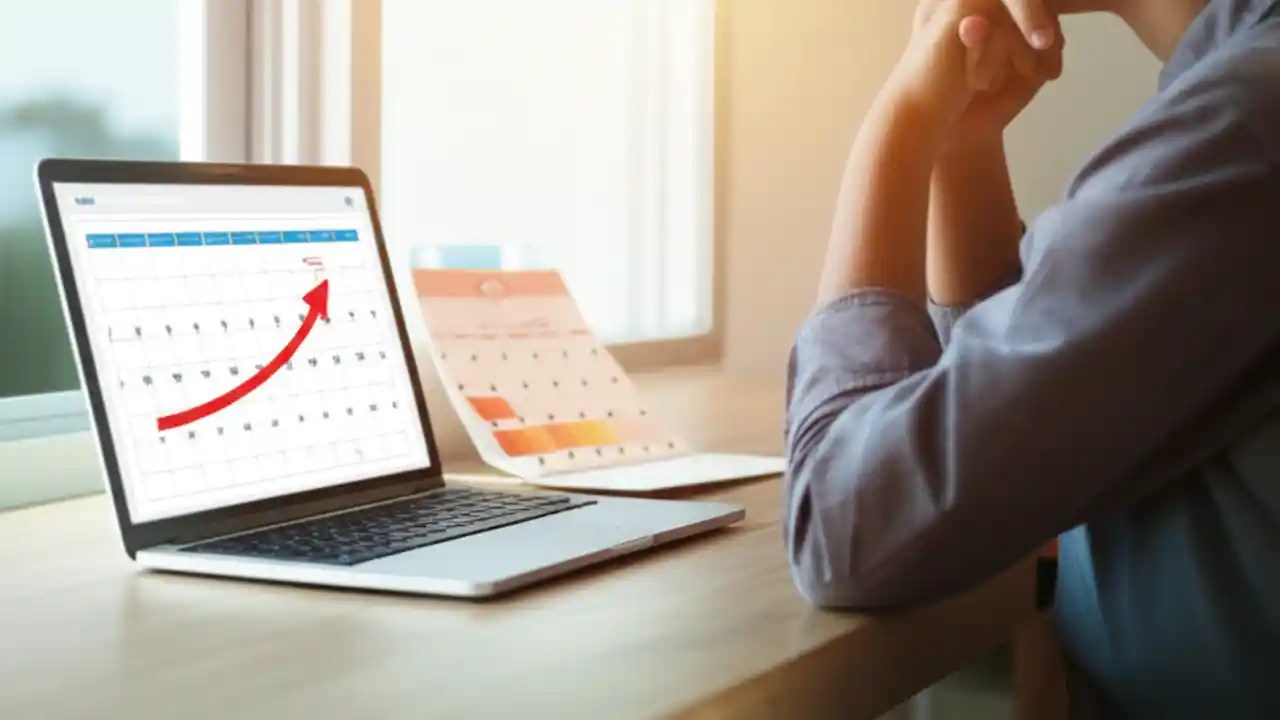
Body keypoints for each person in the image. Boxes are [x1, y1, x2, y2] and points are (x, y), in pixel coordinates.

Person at [783, 0, 1280, 716]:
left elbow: (845, 523)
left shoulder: (1244, 125)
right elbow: (1020, 416)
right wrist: (963, 140)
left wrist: (901, 122)